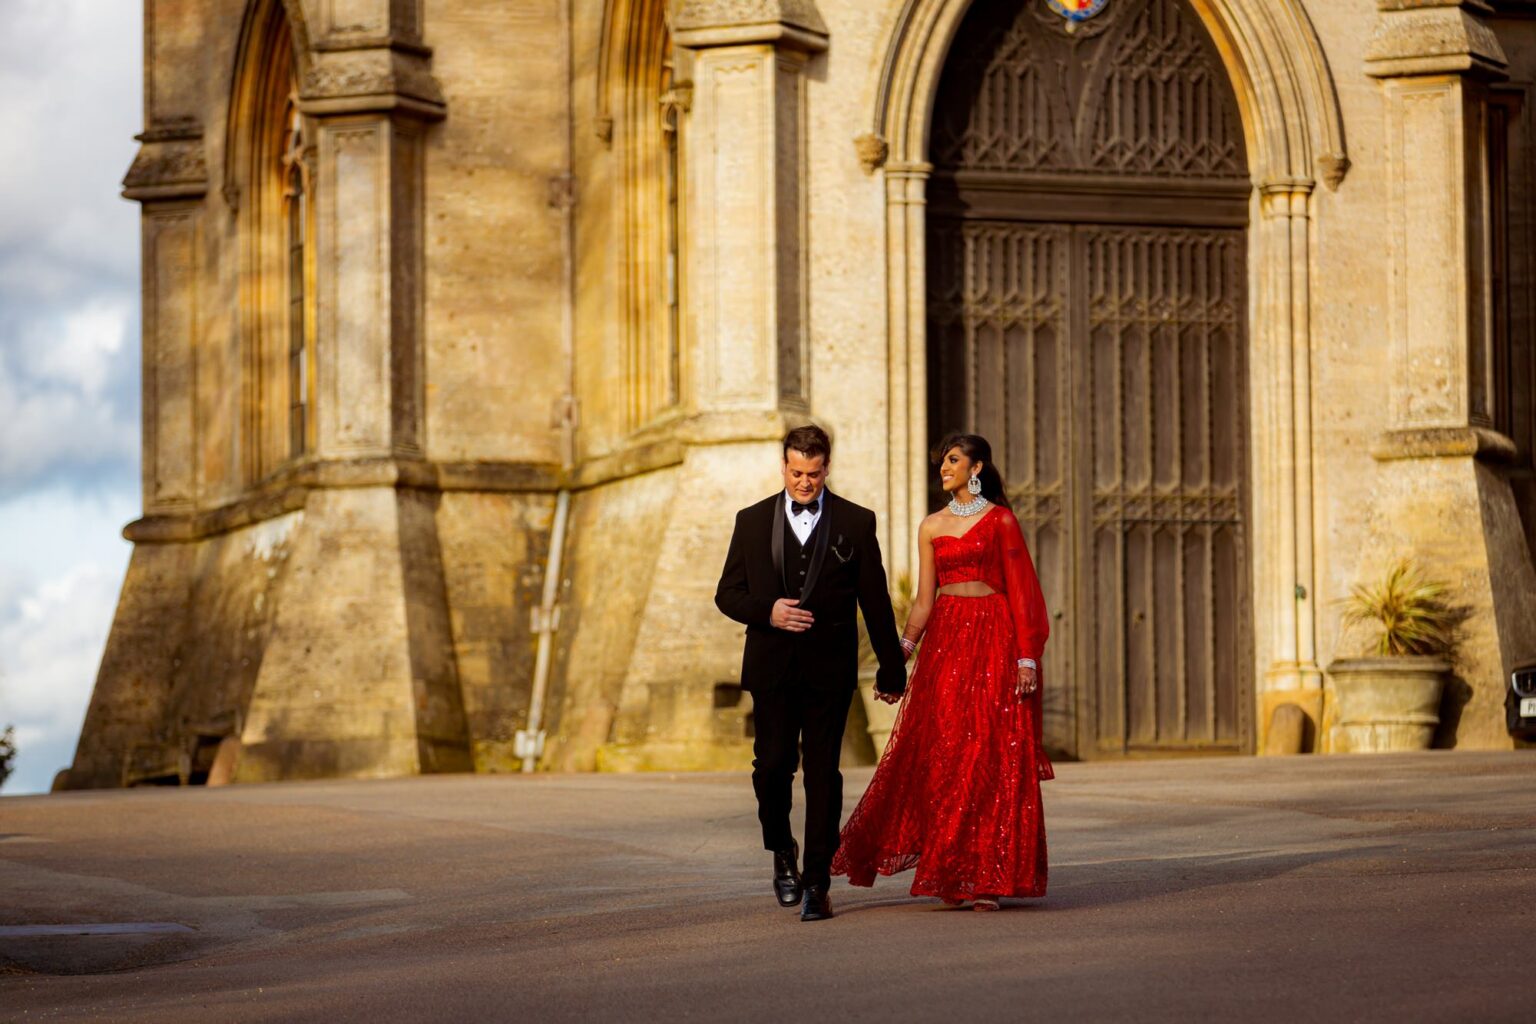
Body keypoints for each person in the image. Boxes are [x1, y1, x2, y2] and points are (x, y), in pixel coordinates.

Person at [832, 433, 1052, 910]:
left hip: (995, 642)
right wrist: (899, 656)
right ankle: (950, 874)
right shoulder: (930, 526)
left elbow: (1022, 590)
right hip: (947, 647)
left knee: (990, 756)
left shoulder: (1002, 521)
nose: (944, 469)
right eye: (941, 463)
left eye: (953, 460)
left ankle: (987, 878)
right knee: (947, 755)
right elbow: (923, 600)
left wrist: (1026, 657)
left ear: (977, 467)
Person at [715, 424, 907, 921]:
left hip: (829, 671)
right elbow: (727, 594)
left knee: (823, 774)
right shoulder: (751, 520)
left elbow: (875, 600)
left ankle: (818, 882)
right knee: (772, 768)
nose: (805, 483)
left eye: (814, 474)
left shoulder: (856, 521)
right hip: (771, 668)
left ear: (827, 469)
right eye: (797, 473)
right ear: (783, 466)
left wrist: (891, 667)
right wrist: (768, 612)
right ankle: (782, 850)